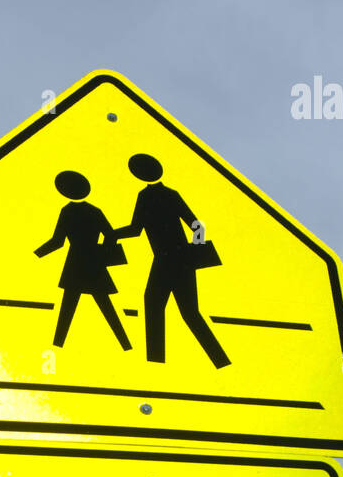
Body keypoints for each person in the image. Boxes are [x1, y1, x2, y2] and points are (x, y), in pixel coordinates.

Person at [115, 153, 230, 367]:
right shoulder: (165, 194)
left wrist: (112, 235)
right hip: (176, 260)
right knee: (183, 311)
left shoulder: (149, 196)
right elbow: (197, 226)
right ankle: (218, 360)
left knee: (159, 306)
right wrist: (192, 254)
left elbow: (137, 229)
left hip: (168, 259)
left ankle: (157, 361)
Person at [35, 171, 132, 350]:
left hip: (76, 263)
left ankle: (57, 345)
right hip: (94, 262)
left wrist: (37, 255)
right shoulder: (95, 211)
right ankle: (125, 345)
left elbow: (58, 241)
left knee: (68, 308)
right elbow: (110, 235)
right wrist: (101, 253)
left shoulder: (68, 211)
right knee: (105, 306)